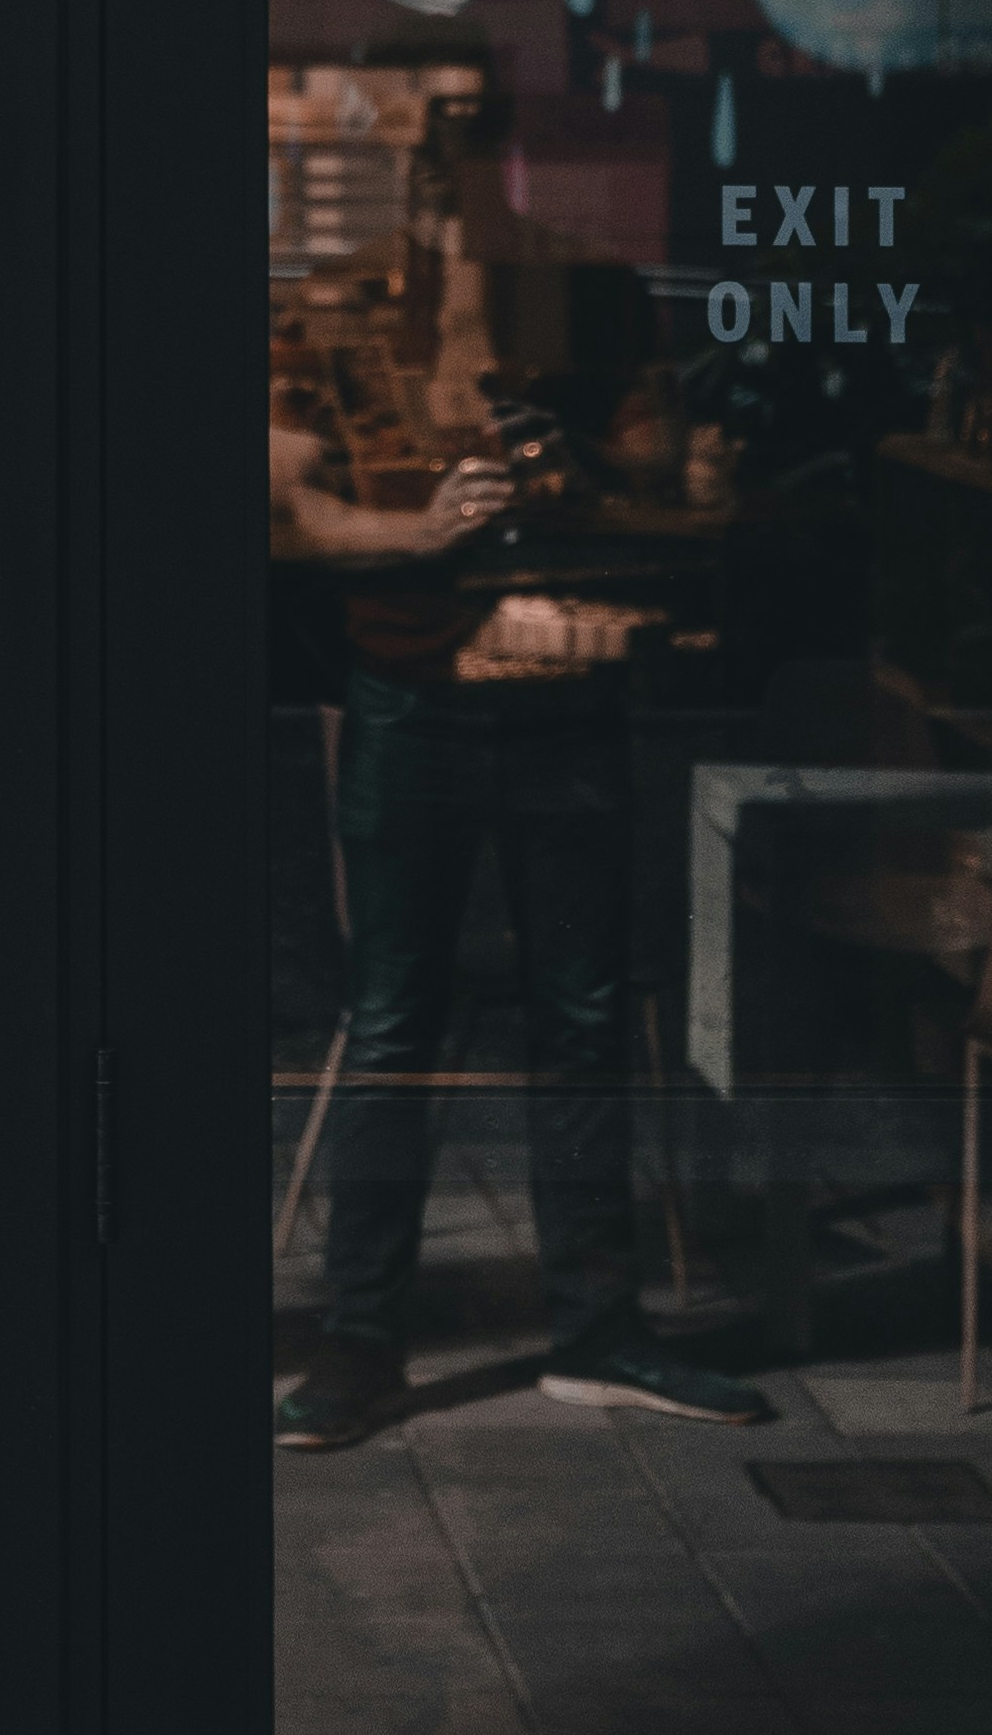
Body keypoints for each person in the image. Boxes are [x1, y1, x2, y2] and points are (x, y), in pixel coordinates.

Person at [269, 330, 774, 1450]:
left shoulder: (586, 306)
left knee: (582, 1021)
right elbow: (283, 514)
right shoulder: (349, 310)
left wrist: (635, 471)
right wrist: (424, 526)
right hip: (412, 706)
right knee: (393, 1023)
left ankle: (596, 1336)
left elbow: (673, 491)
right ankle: (357, 1342)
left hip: (567, 701)